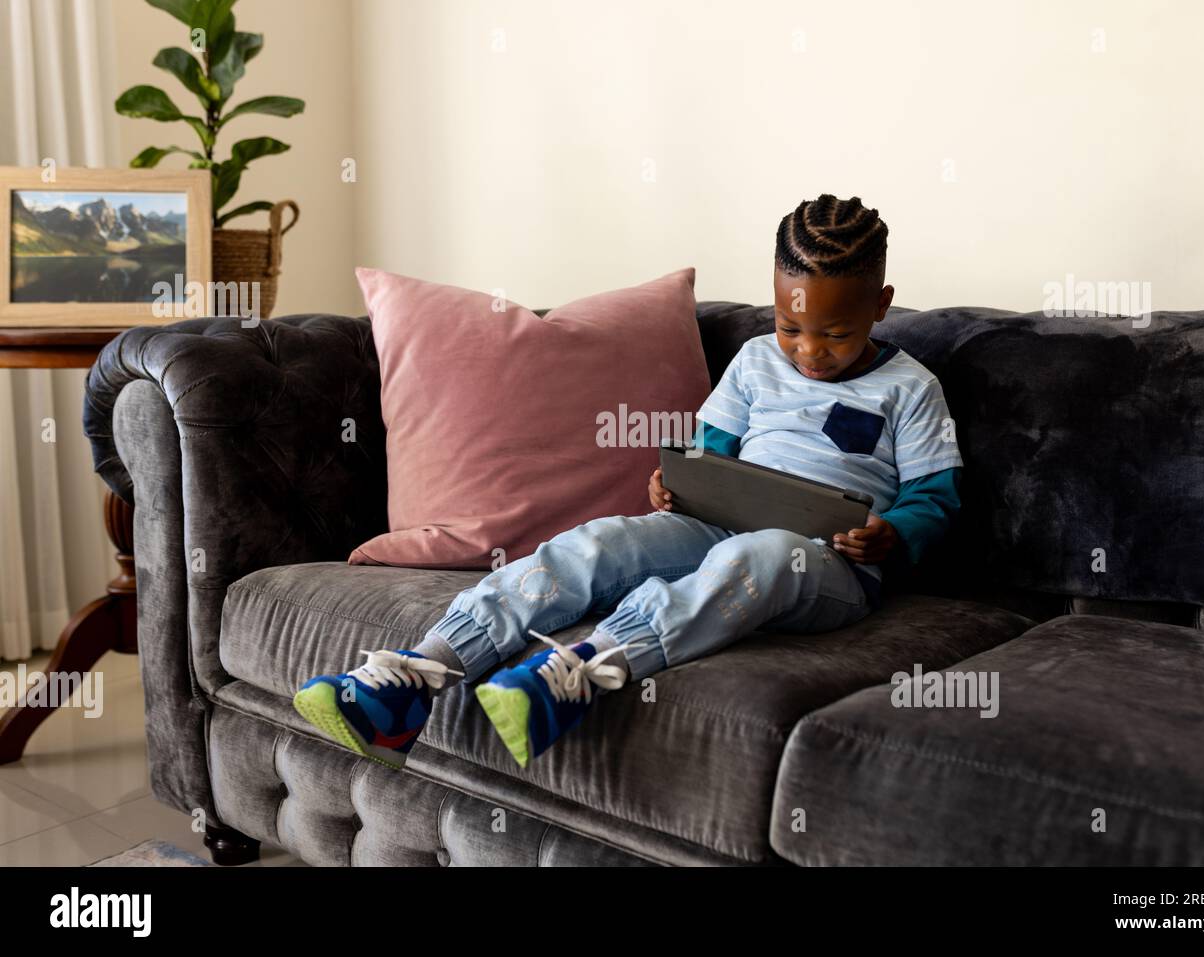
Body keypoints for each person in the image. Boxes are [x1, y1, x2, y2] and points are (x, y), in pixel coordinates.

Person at [293, 194, 964, 771]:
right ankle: (414, 678)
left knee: (752, 556)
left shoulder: (911, 388)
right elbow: (710, 453)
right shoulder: (757, 361)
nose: (809, 351)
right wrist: (675, 486)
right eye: (791, 327)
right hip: (717, 522)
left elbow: (936, 499)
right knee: (601, 542)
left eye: (834, 333)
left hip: (827, 567)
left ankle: (582, 673)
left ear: (881, 304)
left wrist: (891, 535)